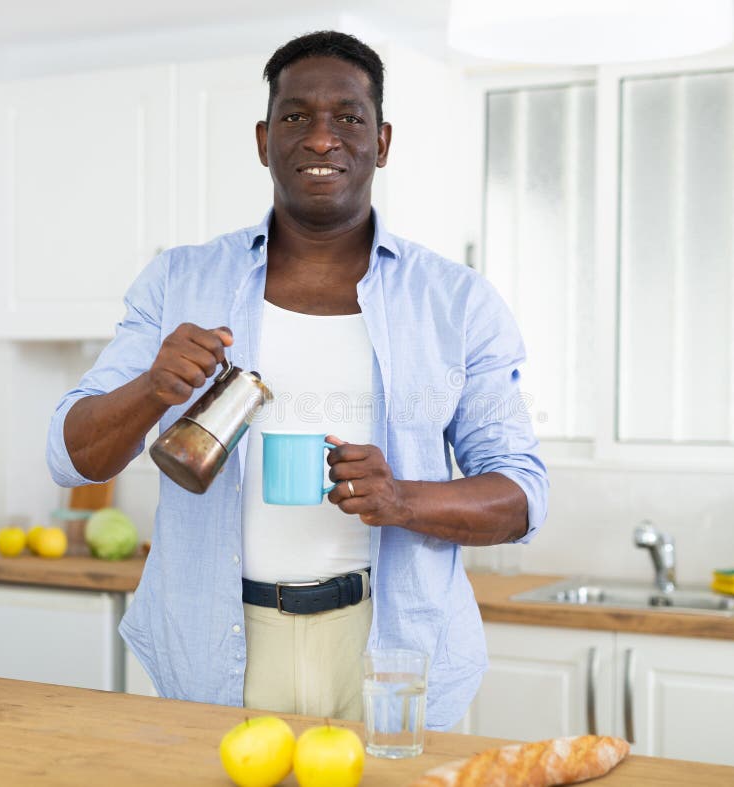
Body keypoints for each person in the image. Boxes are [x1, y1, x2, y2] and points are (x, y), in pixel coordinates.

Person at [47, 30, 548, 730]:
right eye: (295, 116)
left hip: (394, 653)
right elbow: (72, 457)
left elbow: (522, 495)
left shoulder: (456, 302)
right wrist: (152, 389)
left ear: (382, 141)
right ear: (262, 139)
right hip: (215, 646)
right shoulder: (179, 281)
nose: (321, 138)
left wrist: (402, 497)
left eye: (348, 117)